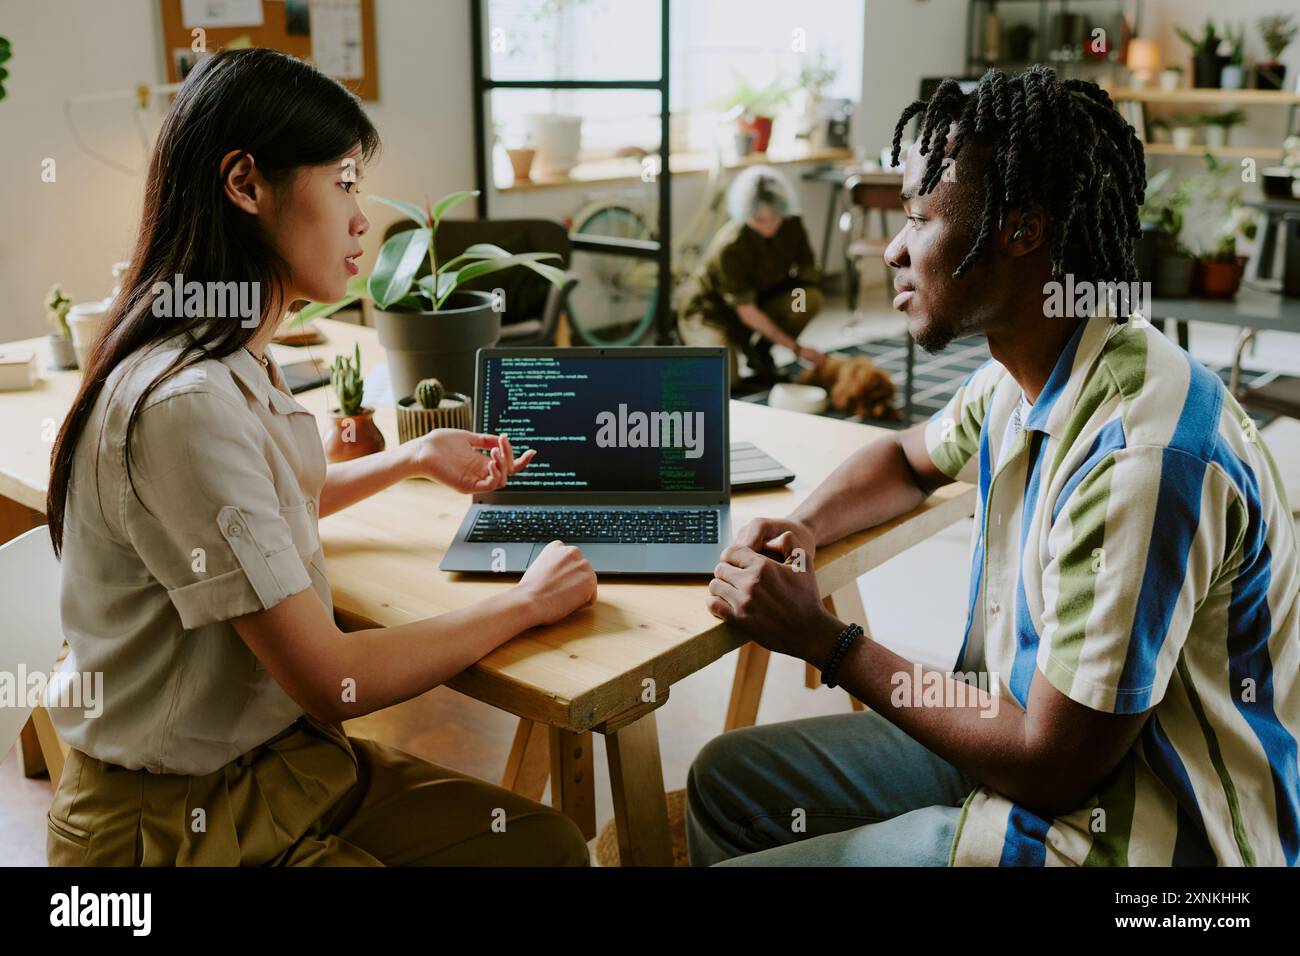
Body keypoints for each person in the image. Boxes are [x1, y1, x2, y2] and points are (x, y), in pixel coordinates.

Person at [687, 65, 1300, 867]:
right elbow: (906, 461)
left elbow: (1053, 766)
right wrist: (804, 525)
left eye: (919, 219)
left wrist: (824, 640)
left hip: (1138, 838)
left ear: (1021, 230)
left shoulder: (1140, 455)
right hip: (1018, 727)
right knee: (726, 783)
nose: (896, 251)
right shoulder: (1032, 369)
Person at [44, 49, 595, 867]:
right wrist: (523, 604)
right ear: (246, 184)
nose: (363, 218)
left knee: (544, 845)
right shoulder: (184, 403)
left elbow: (270, 506)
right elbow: (330, 676)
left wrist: (410, 460)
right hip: (170, 826)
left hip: (286, 766)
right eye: (343, 182)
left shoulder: (231, 355)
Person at [677, 166, 828, 389]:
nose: (769, 226)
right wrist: (795, 348)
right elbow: (747, 313)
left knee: (808, 298)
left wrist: (798, 298)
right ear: (745, 215)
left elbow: (807, 273)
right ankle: (695, 343)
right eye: (760, 220)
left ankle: (761, 349)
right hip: (711, 313)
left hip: (760, 301)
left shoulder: (792, 223)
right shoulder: (730, 246)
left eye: (775, 217)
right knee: (726, 381)